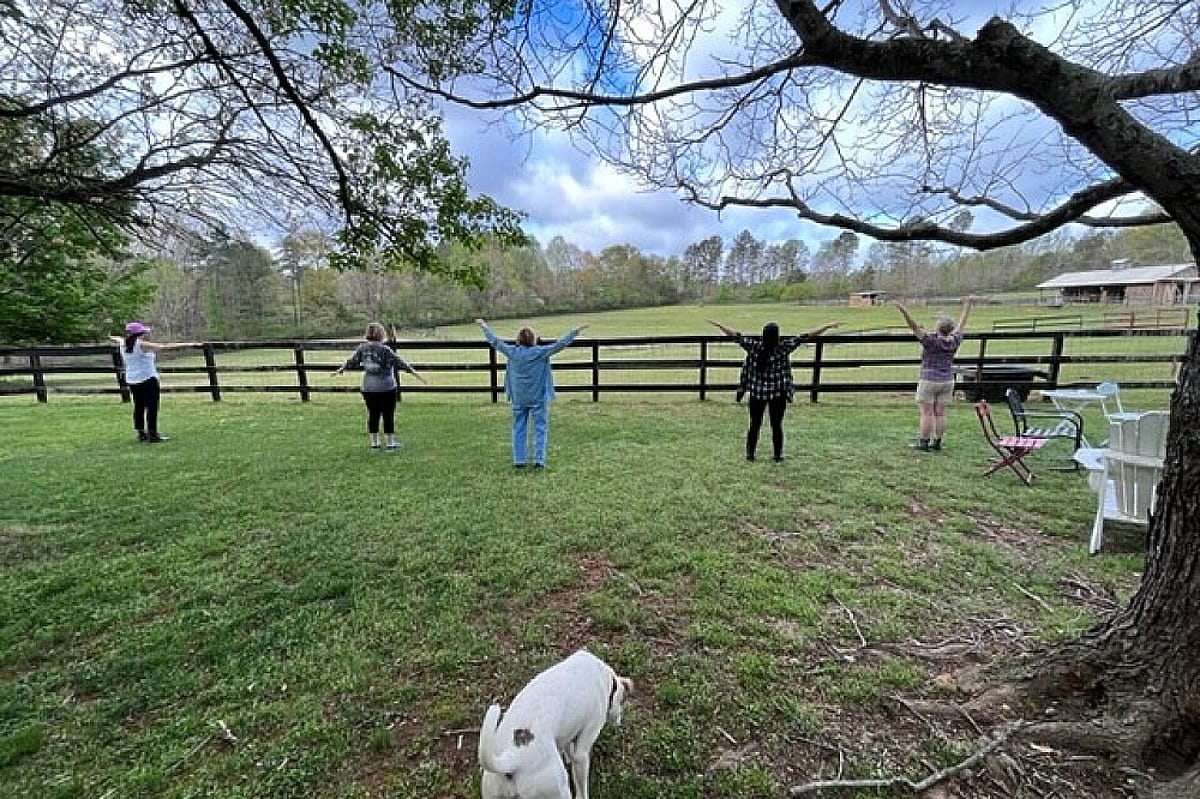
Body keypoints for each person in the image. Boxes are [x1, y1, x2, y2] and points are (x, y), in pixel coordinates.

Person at [708, 318, 841, 462]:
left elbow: (735, 336)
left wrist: (720, 326)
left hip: (757, 394)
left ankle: (750, 454)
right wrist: (826, 326)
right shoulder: (783, 348)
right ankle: (777, 455)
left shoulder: (754, 347)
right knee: (776, 425)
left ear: (763, 335)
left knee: (754, 425)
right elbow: (806, 336)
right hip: (778, 394)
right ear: (777, 336)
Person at [476, 318, 586, 469]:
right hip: (537, 398)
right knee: (540, 428)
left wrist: (484, 326)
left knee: (518, 427)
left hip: (518, 397)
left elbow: (495, 342)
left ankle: (519, 460)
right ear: (533, 340)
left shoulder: (512, 352)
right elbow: (560, 345)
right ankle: (538, 460)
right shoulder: (540, 352)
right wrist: (575, 331)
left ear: (519, 340)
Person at [892, 296, 975, 452]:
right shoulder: (955, 340)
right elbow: (962, 324)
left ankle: (924, 442)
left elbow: (914, 326)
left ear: (938, 328)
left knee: (926, 413)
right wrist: (967, 307)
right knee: (940, 414)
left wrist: (903, 310)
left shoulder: (931, 342)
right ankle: (937, 442)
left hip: (929, 380)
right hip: (947, 380)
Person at [333, 322, 427, 451]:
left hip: (368, 388)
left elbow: (351, 361)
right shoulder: (385, 350)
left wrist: (340, 370)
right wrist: (415, 374)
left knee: (373, 414)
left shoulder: (362, 348)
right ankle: (390, 443)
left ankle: (374, 444)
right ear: (381, 334)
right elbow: (399, 362)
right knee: (388, 415)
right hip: (386, 387)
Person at [108, 321, 201, 443]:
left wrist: (109, 333)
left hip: (132, 379)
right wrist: (189, 344)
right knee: (152, 406)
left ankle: (141, 432)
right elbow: (164, 347)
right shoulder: (141, 344)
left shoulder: (123, 343)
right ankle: (153, 434)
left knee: (138, 406)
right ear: (139, 334)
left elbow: (115, 338)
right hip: (148, 379)